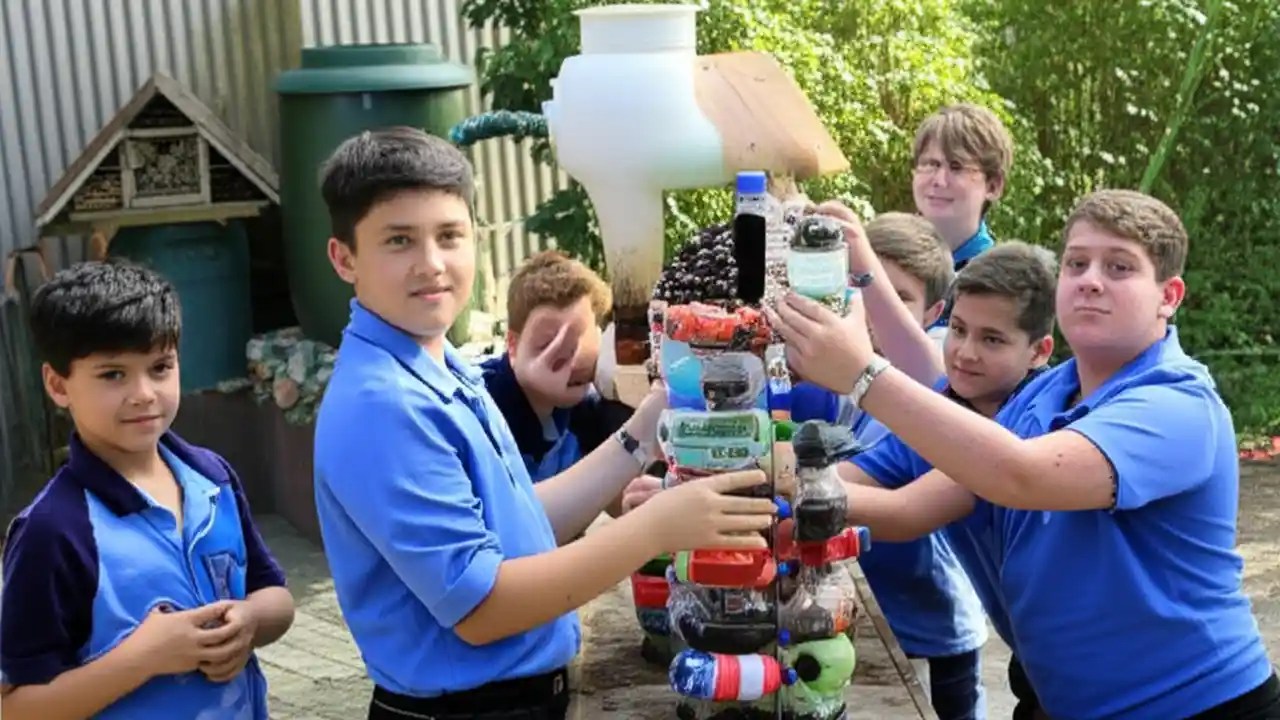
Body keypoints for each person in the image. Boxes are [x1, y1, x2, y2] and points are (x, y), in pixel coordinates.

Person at [310, 127, 777, 720]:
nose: (432, 264)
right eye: (399, 240)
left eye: (449, 235)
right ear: (345, 258)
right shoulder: (383, 406)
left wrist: (657, 413)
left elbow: (525, 522)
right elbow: (483, 610)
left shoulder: (436, 358)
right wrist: (654, 530)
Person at [770, 189, 1280, 719]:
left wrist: (861, 374)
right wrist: (765, 488)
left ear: (1168, 296)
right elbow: (926, 501)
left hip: (1201, 706)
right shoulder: (1045, 395)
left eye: (1120, 267)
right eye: (1077, 262)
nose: (1091, 279)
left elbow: (1021, 475)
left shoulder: (1177, 402)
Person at [0, 261, 296, 720]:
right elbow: (16, 708)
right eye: (113, 375)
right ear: (58, 385)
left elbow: (274, 595)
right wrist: (143, 658)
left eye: (160, 367)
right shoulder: (55, 530)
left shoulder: (211, 479)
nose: (143, 393)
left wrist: (250, 622)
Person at [837, 241, 1058, 719]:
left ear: (1040, 352)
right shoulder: (944, 413)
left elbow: (906, 513)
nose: (965, 353)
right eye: (957, 330)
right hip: (1040, 667)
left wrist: (795, 491)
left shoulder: (1033, 422)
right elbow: (842, 479)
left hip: (1106, 679)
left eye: (992, 339)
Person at [479, 250, 635, 502]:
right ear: (513, 345)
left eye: (580, 340)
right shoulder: (483, 412)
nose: (571, 361)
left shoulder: (585, 407)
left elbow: (622, 501)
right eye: (547, 343)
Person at [911, 103, 1015, 343]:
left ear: (993, 186)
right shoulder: (876, 253)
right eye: (931, 164)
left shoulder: (1000, 284)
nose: (939, 180)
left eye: (956, 167)